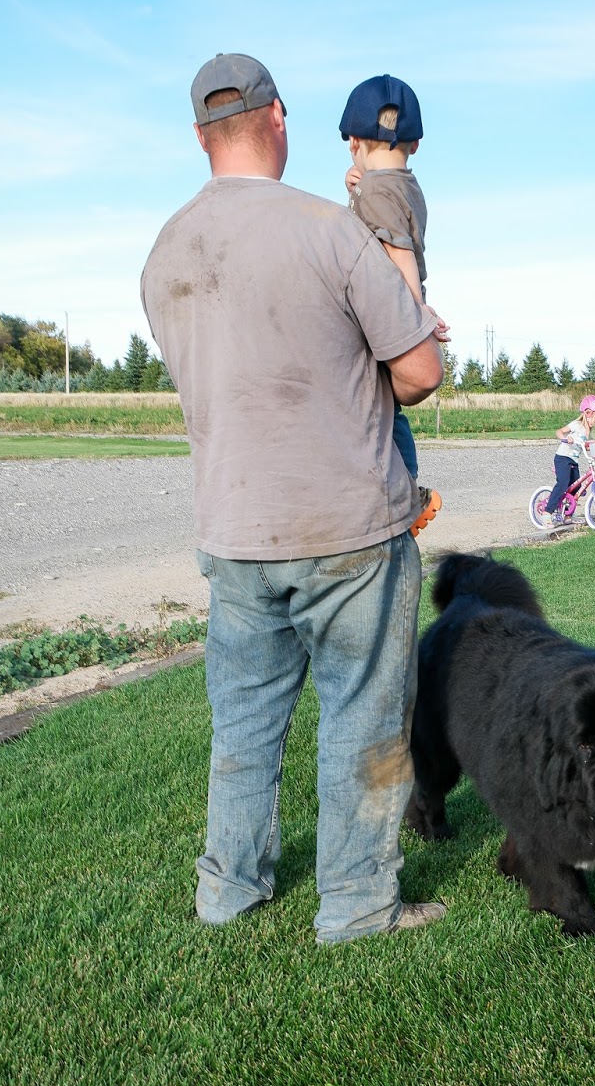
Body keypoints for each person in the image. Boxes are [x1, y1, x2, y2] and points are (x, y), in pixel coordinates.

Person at [141, 53, 446, 944]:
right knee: (362, 717)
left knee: (242, 727)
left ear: (202, 137)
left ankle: (228, 892)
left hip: (234, 529)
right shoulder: (329, 229)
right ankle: (355, 907)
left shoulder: (163, 253)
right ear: (279, 121)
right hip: (349, 525)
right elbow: (418, 374)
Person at [340, 74, 445, 537]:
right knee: (385, 410)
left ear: (353, 141)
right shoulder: (403, 185)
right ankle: (403, 486)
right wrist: (354, 189)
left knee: (383, 409)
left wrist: (415, 314)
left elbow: (398, 252)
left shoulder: (377, 192)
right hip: (394, 305)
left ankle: (407, 490)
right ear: (415, 144)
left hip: (387, 311)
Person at [543, 394, 595, 523]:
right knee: (563, 484)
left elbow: (583, 445)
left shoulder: (587, 431)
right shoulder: (576, 425)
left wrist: (593, 447)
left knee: (576, 487)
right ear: (587, 413)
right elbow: (559, 431)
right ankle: (547, 512)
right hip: (563, 458)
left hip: (573, 460)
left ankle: (568, 515)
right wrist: (566, 438)